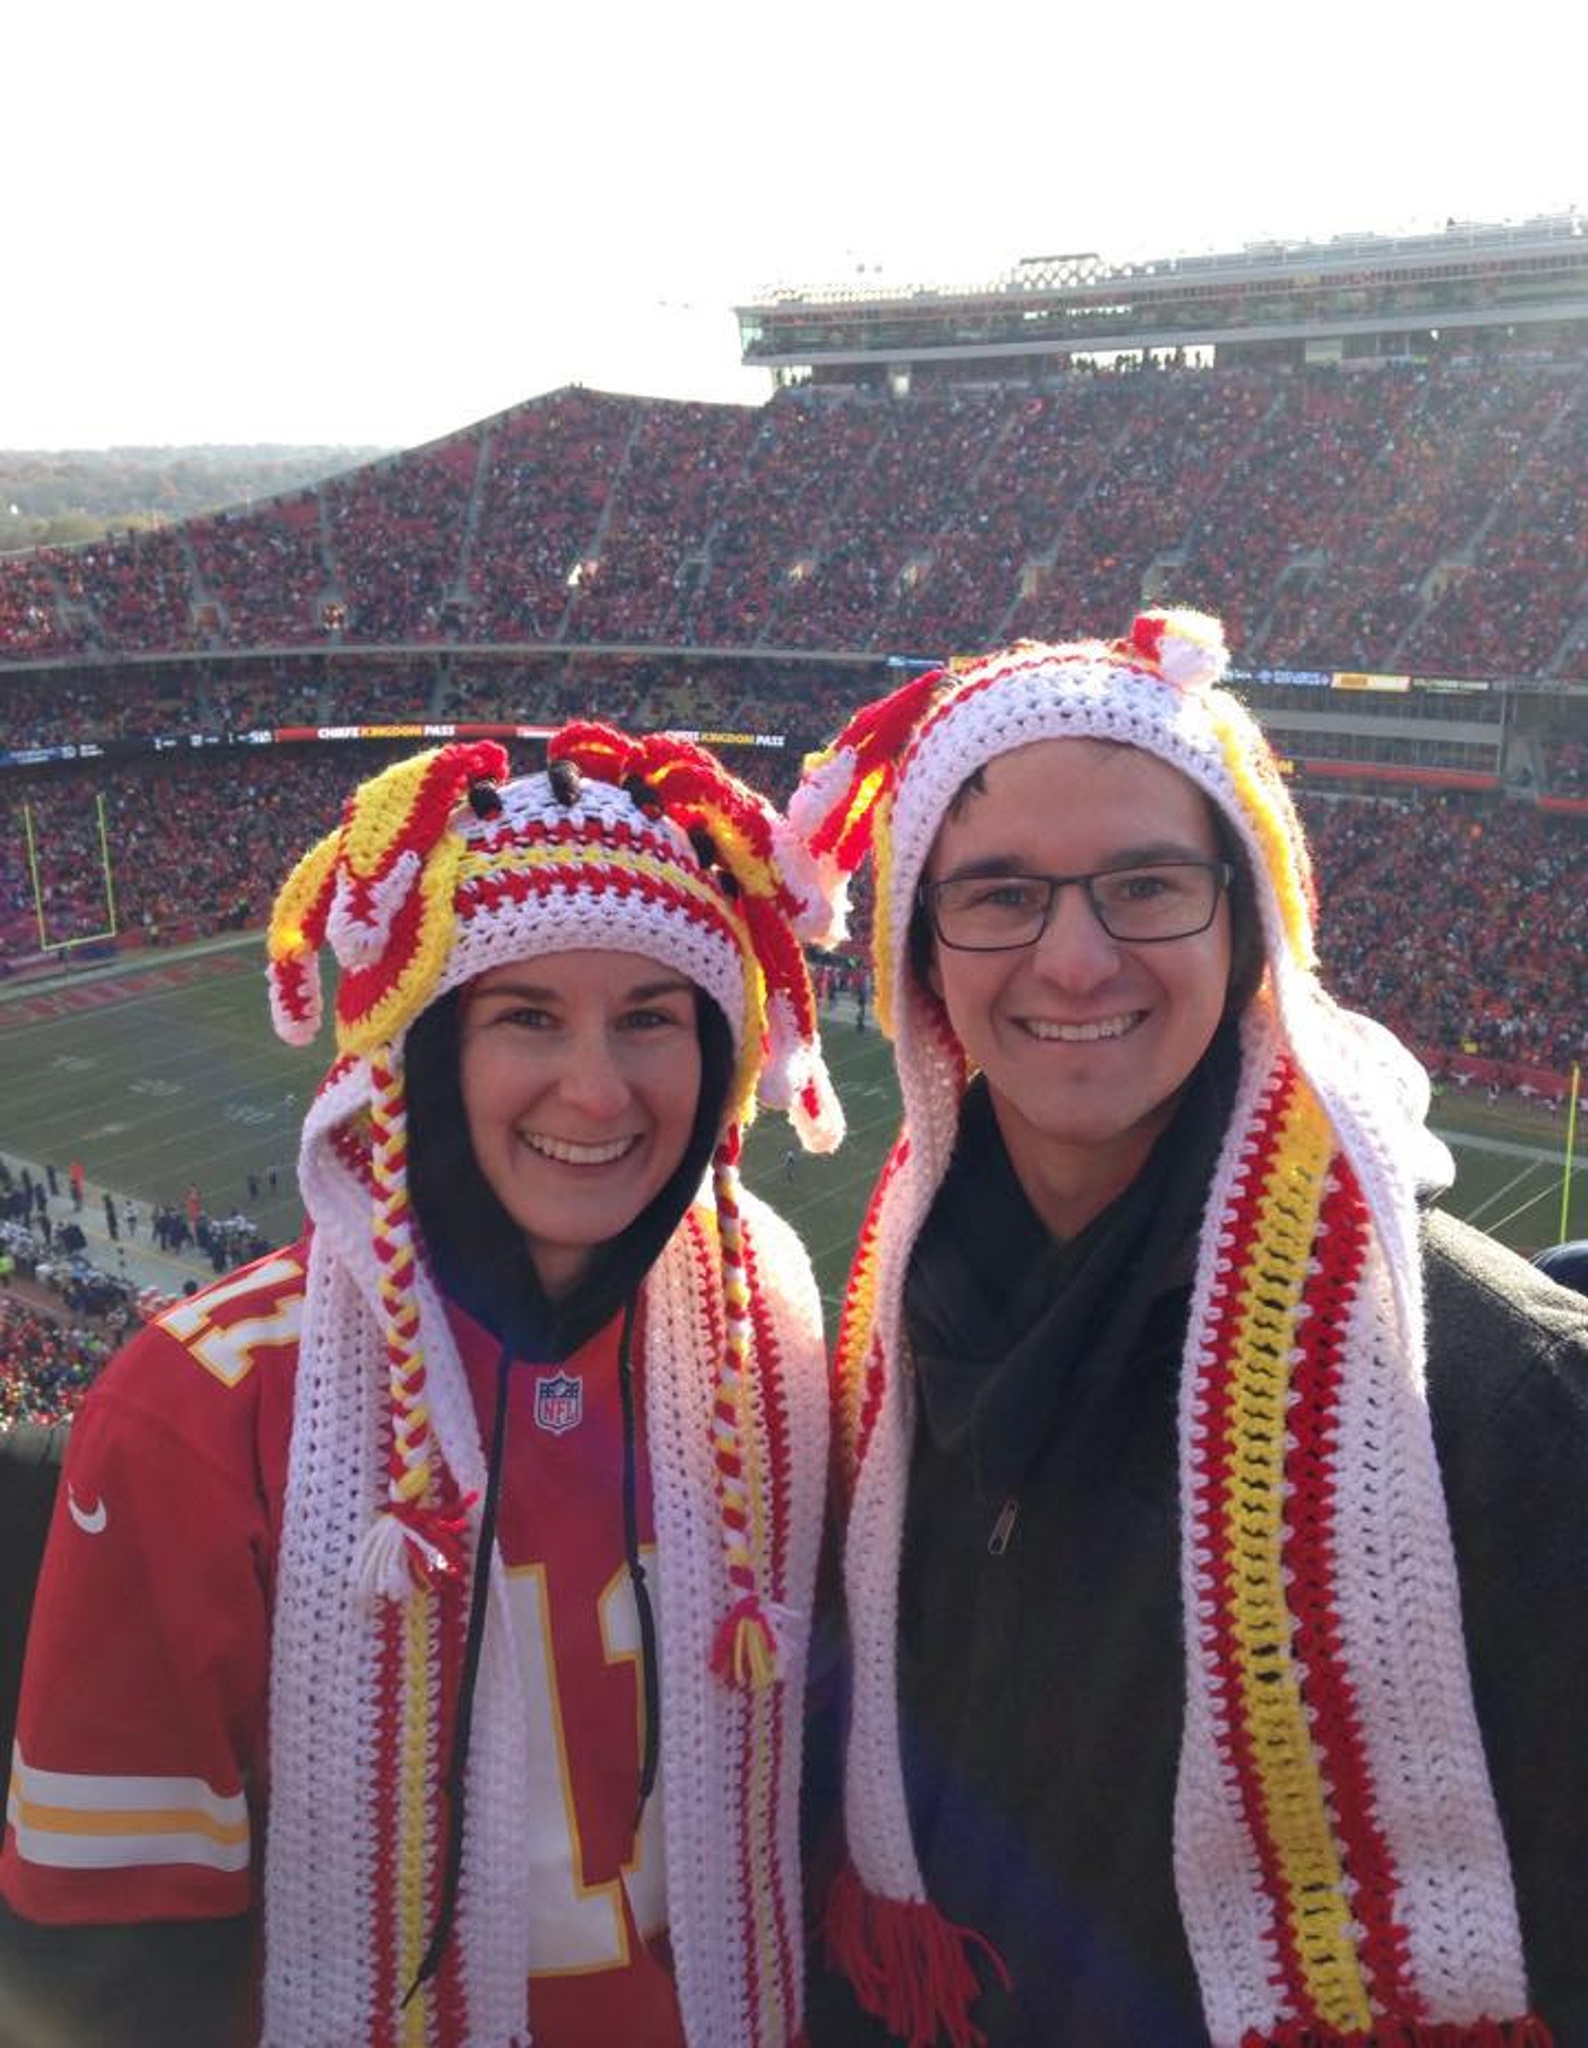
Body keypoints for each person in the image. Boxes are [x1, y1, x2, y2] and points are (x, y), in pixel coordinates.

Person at [790, 611, 1588, 2048]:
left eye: (1146, 884)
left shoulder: (1494, 1392)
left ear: (1246, 919)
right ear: (921, 956)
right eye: (1001, 894)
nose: (1077, 960)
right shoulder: (867, 1358)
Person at [2, 725, 844, 2048]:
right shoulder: (199, 1407)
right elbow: (111, 1970)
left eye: (649, 1017)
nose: (597, 1084)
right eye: (526, 1015)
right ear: (420, 1047)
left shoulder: (774, 1343)